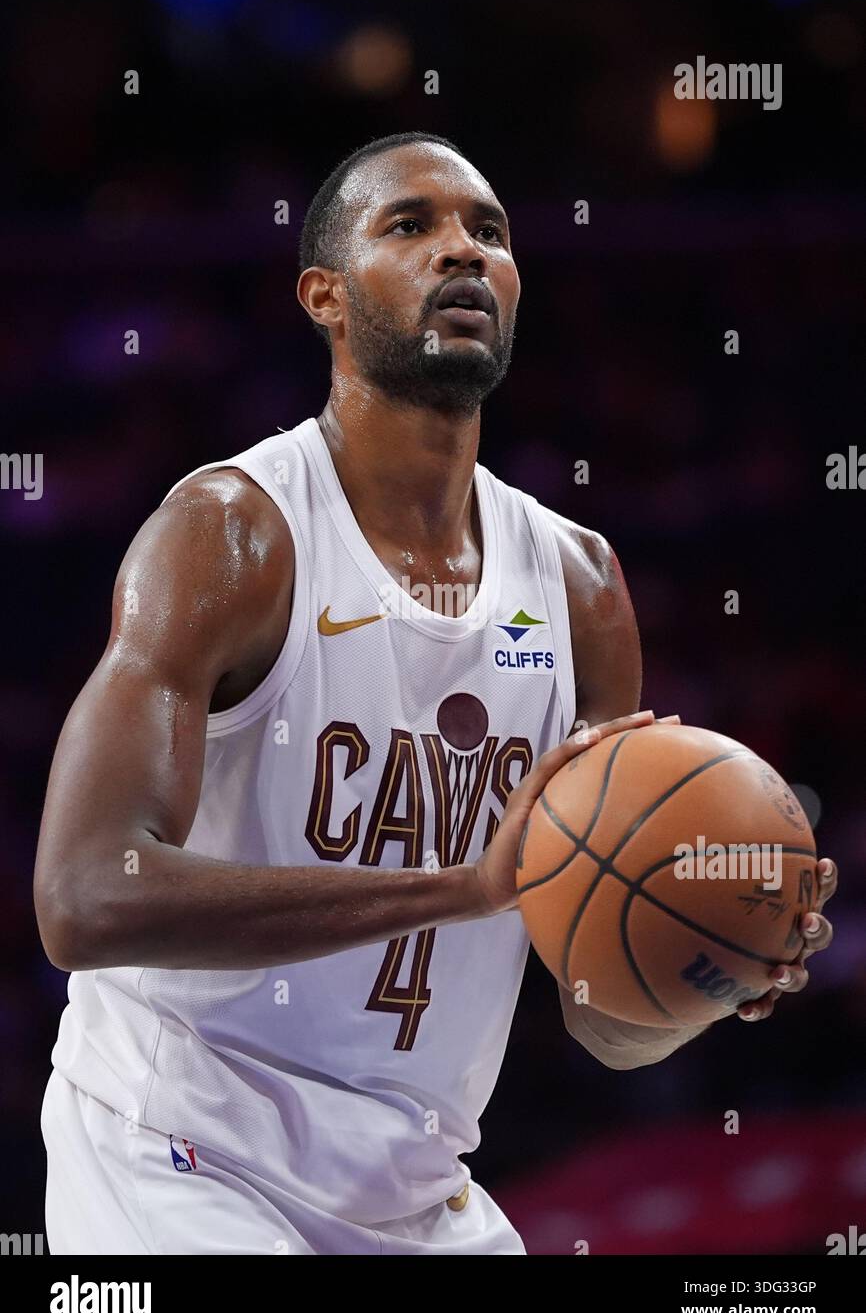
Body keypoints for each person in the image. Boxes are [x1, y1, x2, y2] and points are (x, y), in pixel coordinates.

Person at [34, 131, 836, 1255]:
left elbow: (601, 1020)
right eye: (409, 225)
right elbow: (80, 901)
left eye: (489, 232)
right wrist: (458, 887)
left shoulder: (579, 582)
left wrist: (713, 957)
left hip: (414, 1189)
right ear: (323, 294)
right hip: (176, 1153)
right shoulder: (233, 536)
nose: (461, 248)